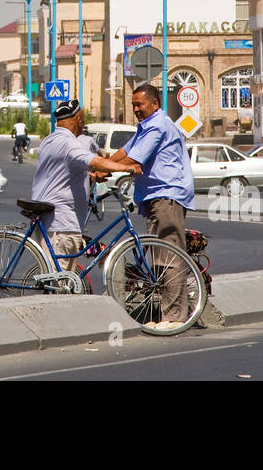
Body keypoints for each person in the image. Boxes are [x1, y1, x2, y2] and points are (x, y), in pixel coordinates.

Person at [111, 83, 195, 333]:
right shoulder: (146, 126)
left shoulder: (158, 124)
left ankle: (175, 316)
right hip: (154, 196)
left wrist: (102, 169)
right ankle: (167, 313)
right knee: (159, 258)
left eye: (140, 104)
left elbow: (134, 159)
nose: (136, 109)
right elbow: (125, 152)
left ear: (155, 104)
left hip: (167, 195)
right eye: (133, 105)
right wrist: (101, 164)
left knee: (168, 258)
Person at [30, 99, 139, 272]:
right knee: (59, 284)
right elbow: (95, 161)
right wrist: (127, 167)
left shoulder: (49, 140)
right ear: (79, 119)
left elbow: (62, 173)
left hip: (53, 222)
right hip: (61, 225)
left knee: (60, 278)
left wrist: (92, 177)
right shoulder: (69, 143)